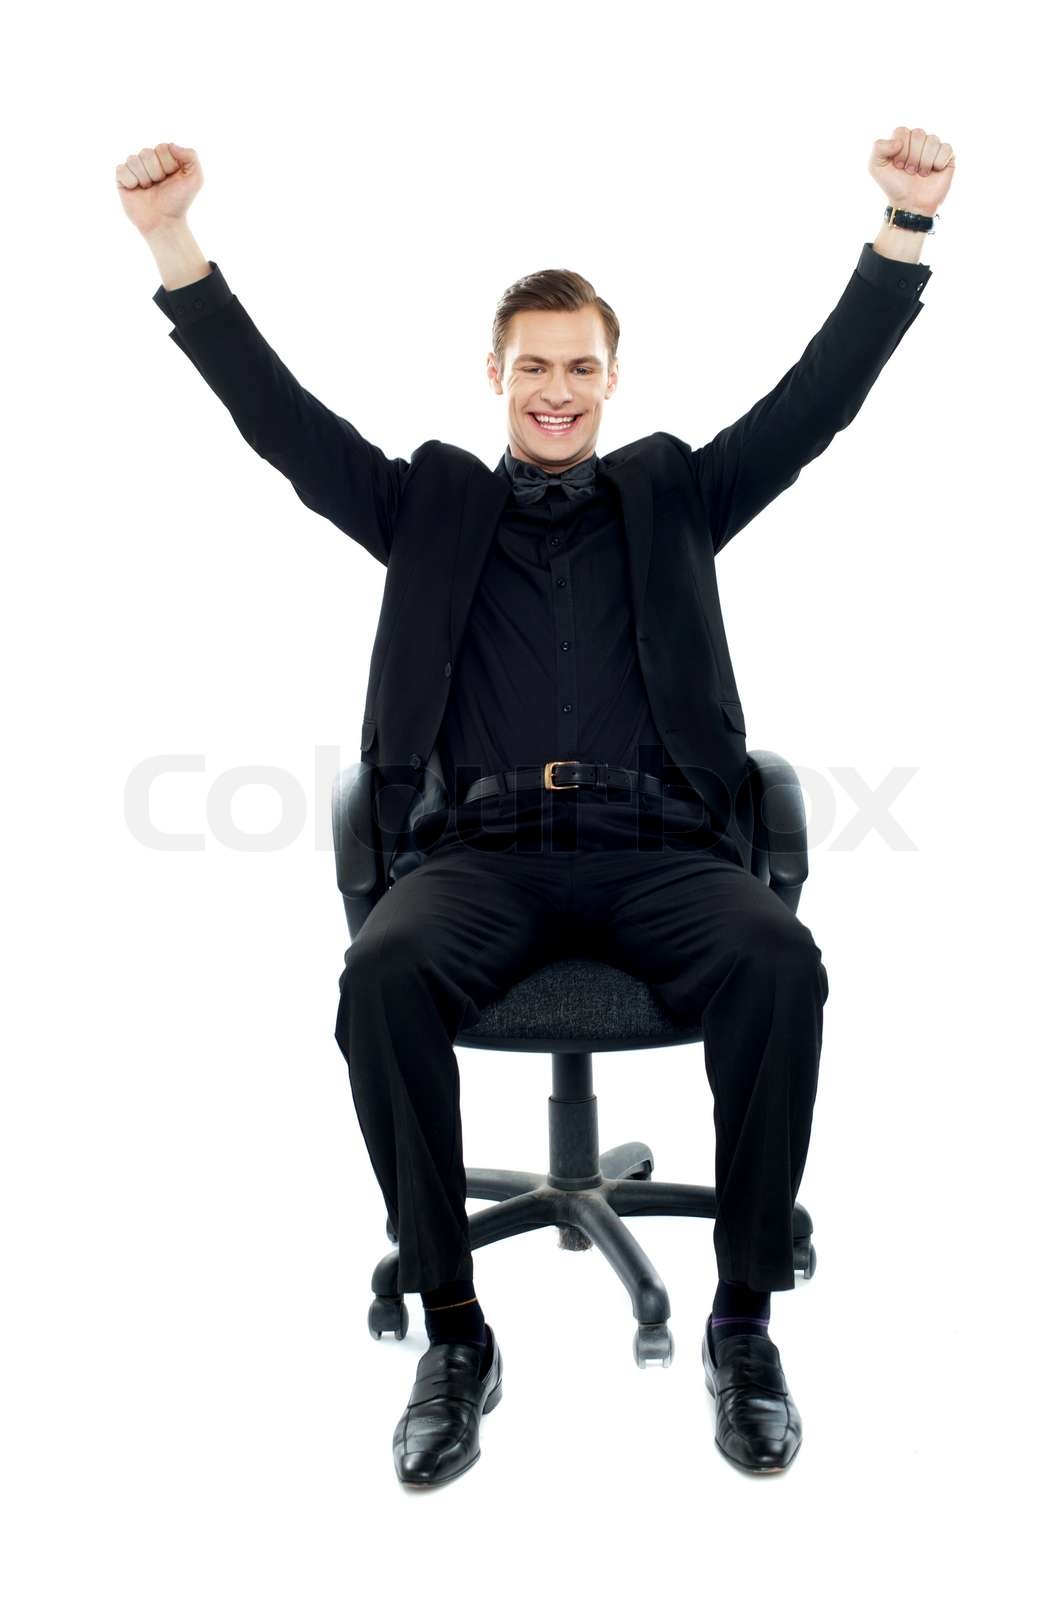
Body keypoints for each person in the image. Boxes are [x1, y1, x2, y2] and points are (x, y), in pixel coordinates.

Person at [117, 127, 955, 1489]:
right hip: (485, 858)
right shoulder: (427, 504)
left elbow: (820, 401)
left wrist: (902, 230)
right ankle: (455, 1333)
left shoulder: (679, 493)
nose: (556, 390)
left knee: (777, 965)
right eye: (533, 366)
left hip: (661, 850)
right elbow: (275, 419)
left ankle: (741, 1322)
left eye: (580, 366)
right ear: (495, 376)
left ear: (611, 377)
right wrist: (174, 248)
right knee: (380, 973)